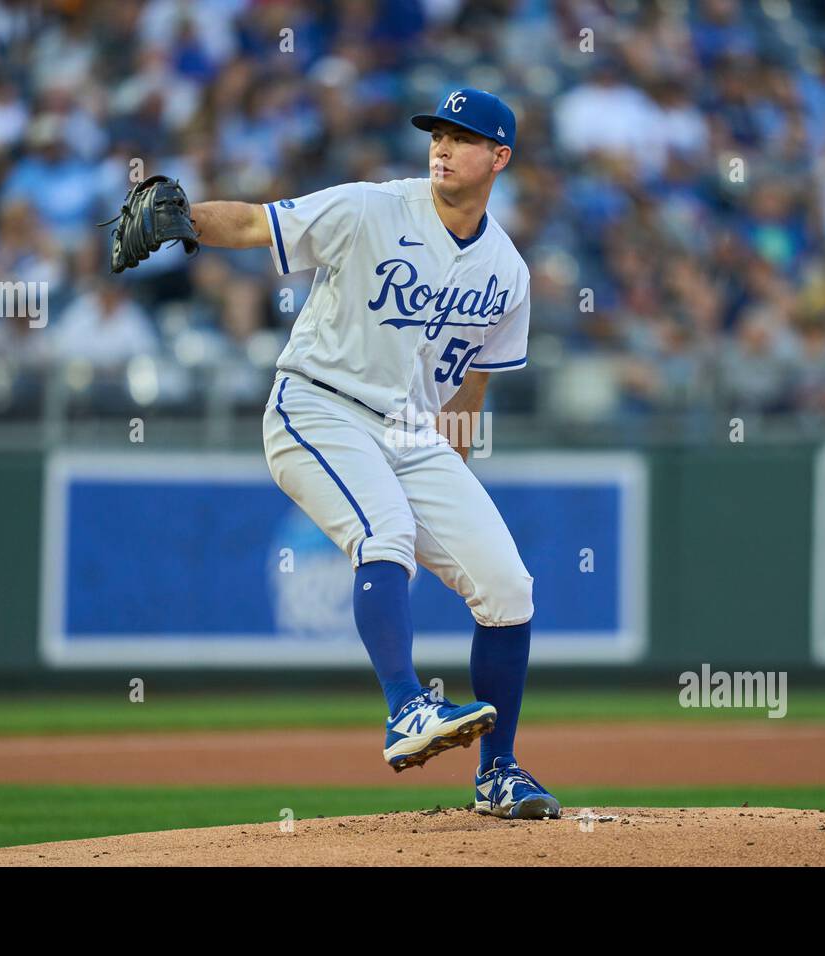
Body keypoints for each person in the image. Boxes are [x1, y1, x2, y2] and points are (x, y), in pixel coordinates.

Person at [128, 88, 558, 819]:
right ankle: (404, 710)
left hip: (410, 434)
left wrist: (455, 452)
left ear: (500, 157)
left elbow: (478, 372)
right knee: (383, 531)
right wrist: (184, 219)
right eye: (437, 135)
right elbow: (259, 224)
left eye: (462, 137)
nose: (443, 148)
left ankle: (499, 774)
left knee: (508, 585)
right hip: (317, 404)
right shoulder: (372, 207)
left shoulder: (508, 271)